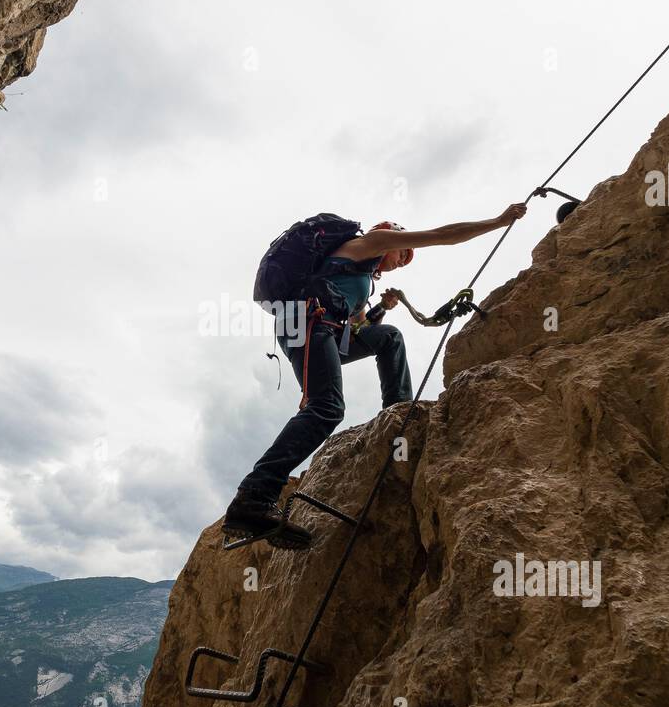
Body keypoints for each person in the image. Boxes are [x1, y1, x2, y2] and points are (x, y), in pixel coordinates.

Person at [223, 204, 528, 545]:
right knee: (326, 408)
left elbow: (357, 329)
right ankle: (253, 498)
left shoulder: (361, 279)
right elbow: (441, 236)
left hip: (322, 327)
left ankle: (398, 412)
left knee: (389, 337)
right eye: (404, 253)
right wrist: (498, 221)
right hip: (307, 322)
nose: (404, 260)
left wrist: (381, 309)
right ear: (390, 237)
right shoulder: (369, 242)